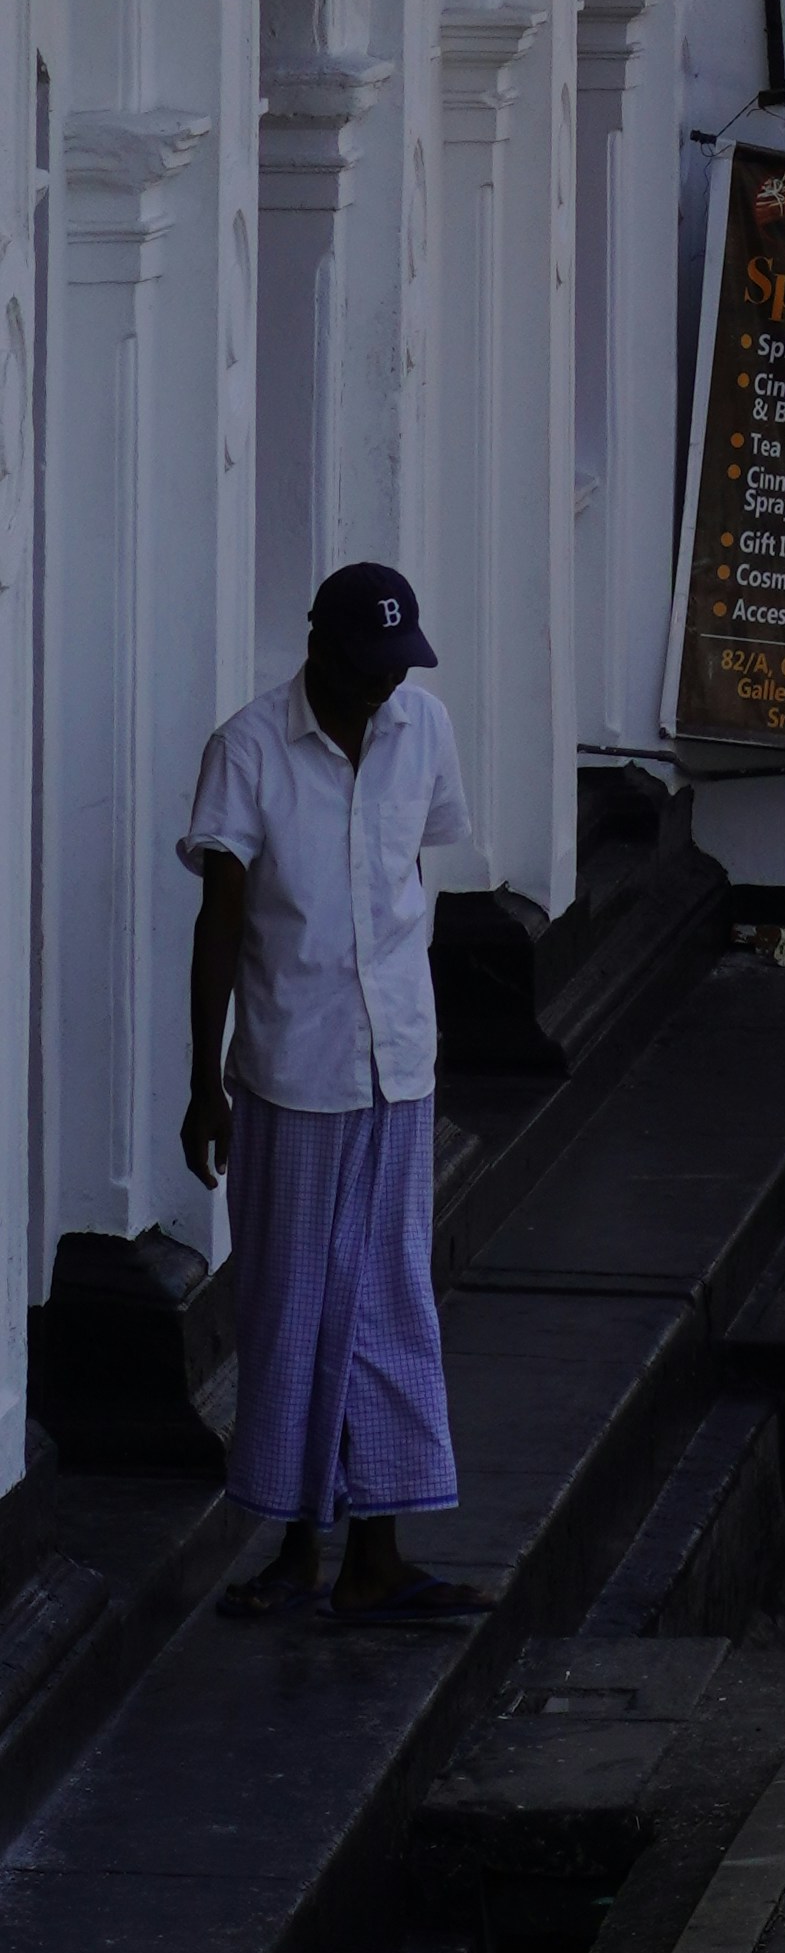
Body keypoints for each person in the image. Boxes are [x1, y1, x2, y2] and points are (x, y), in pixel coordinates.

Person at [180, 561, 484, 1628]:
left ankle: (378, 1553)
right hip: (293, 1074)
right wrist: (201, 1083)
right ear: (317, 651)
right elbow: (219, 925)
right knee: (293, 1305)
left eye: (396, 672)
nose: (382, 693)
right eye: (366, 672)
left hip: (397, 1060)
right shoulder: (249, 750)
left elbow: (412, 869)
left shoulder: (422, 728)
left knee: (390, 1298)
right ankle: (294, 1544)